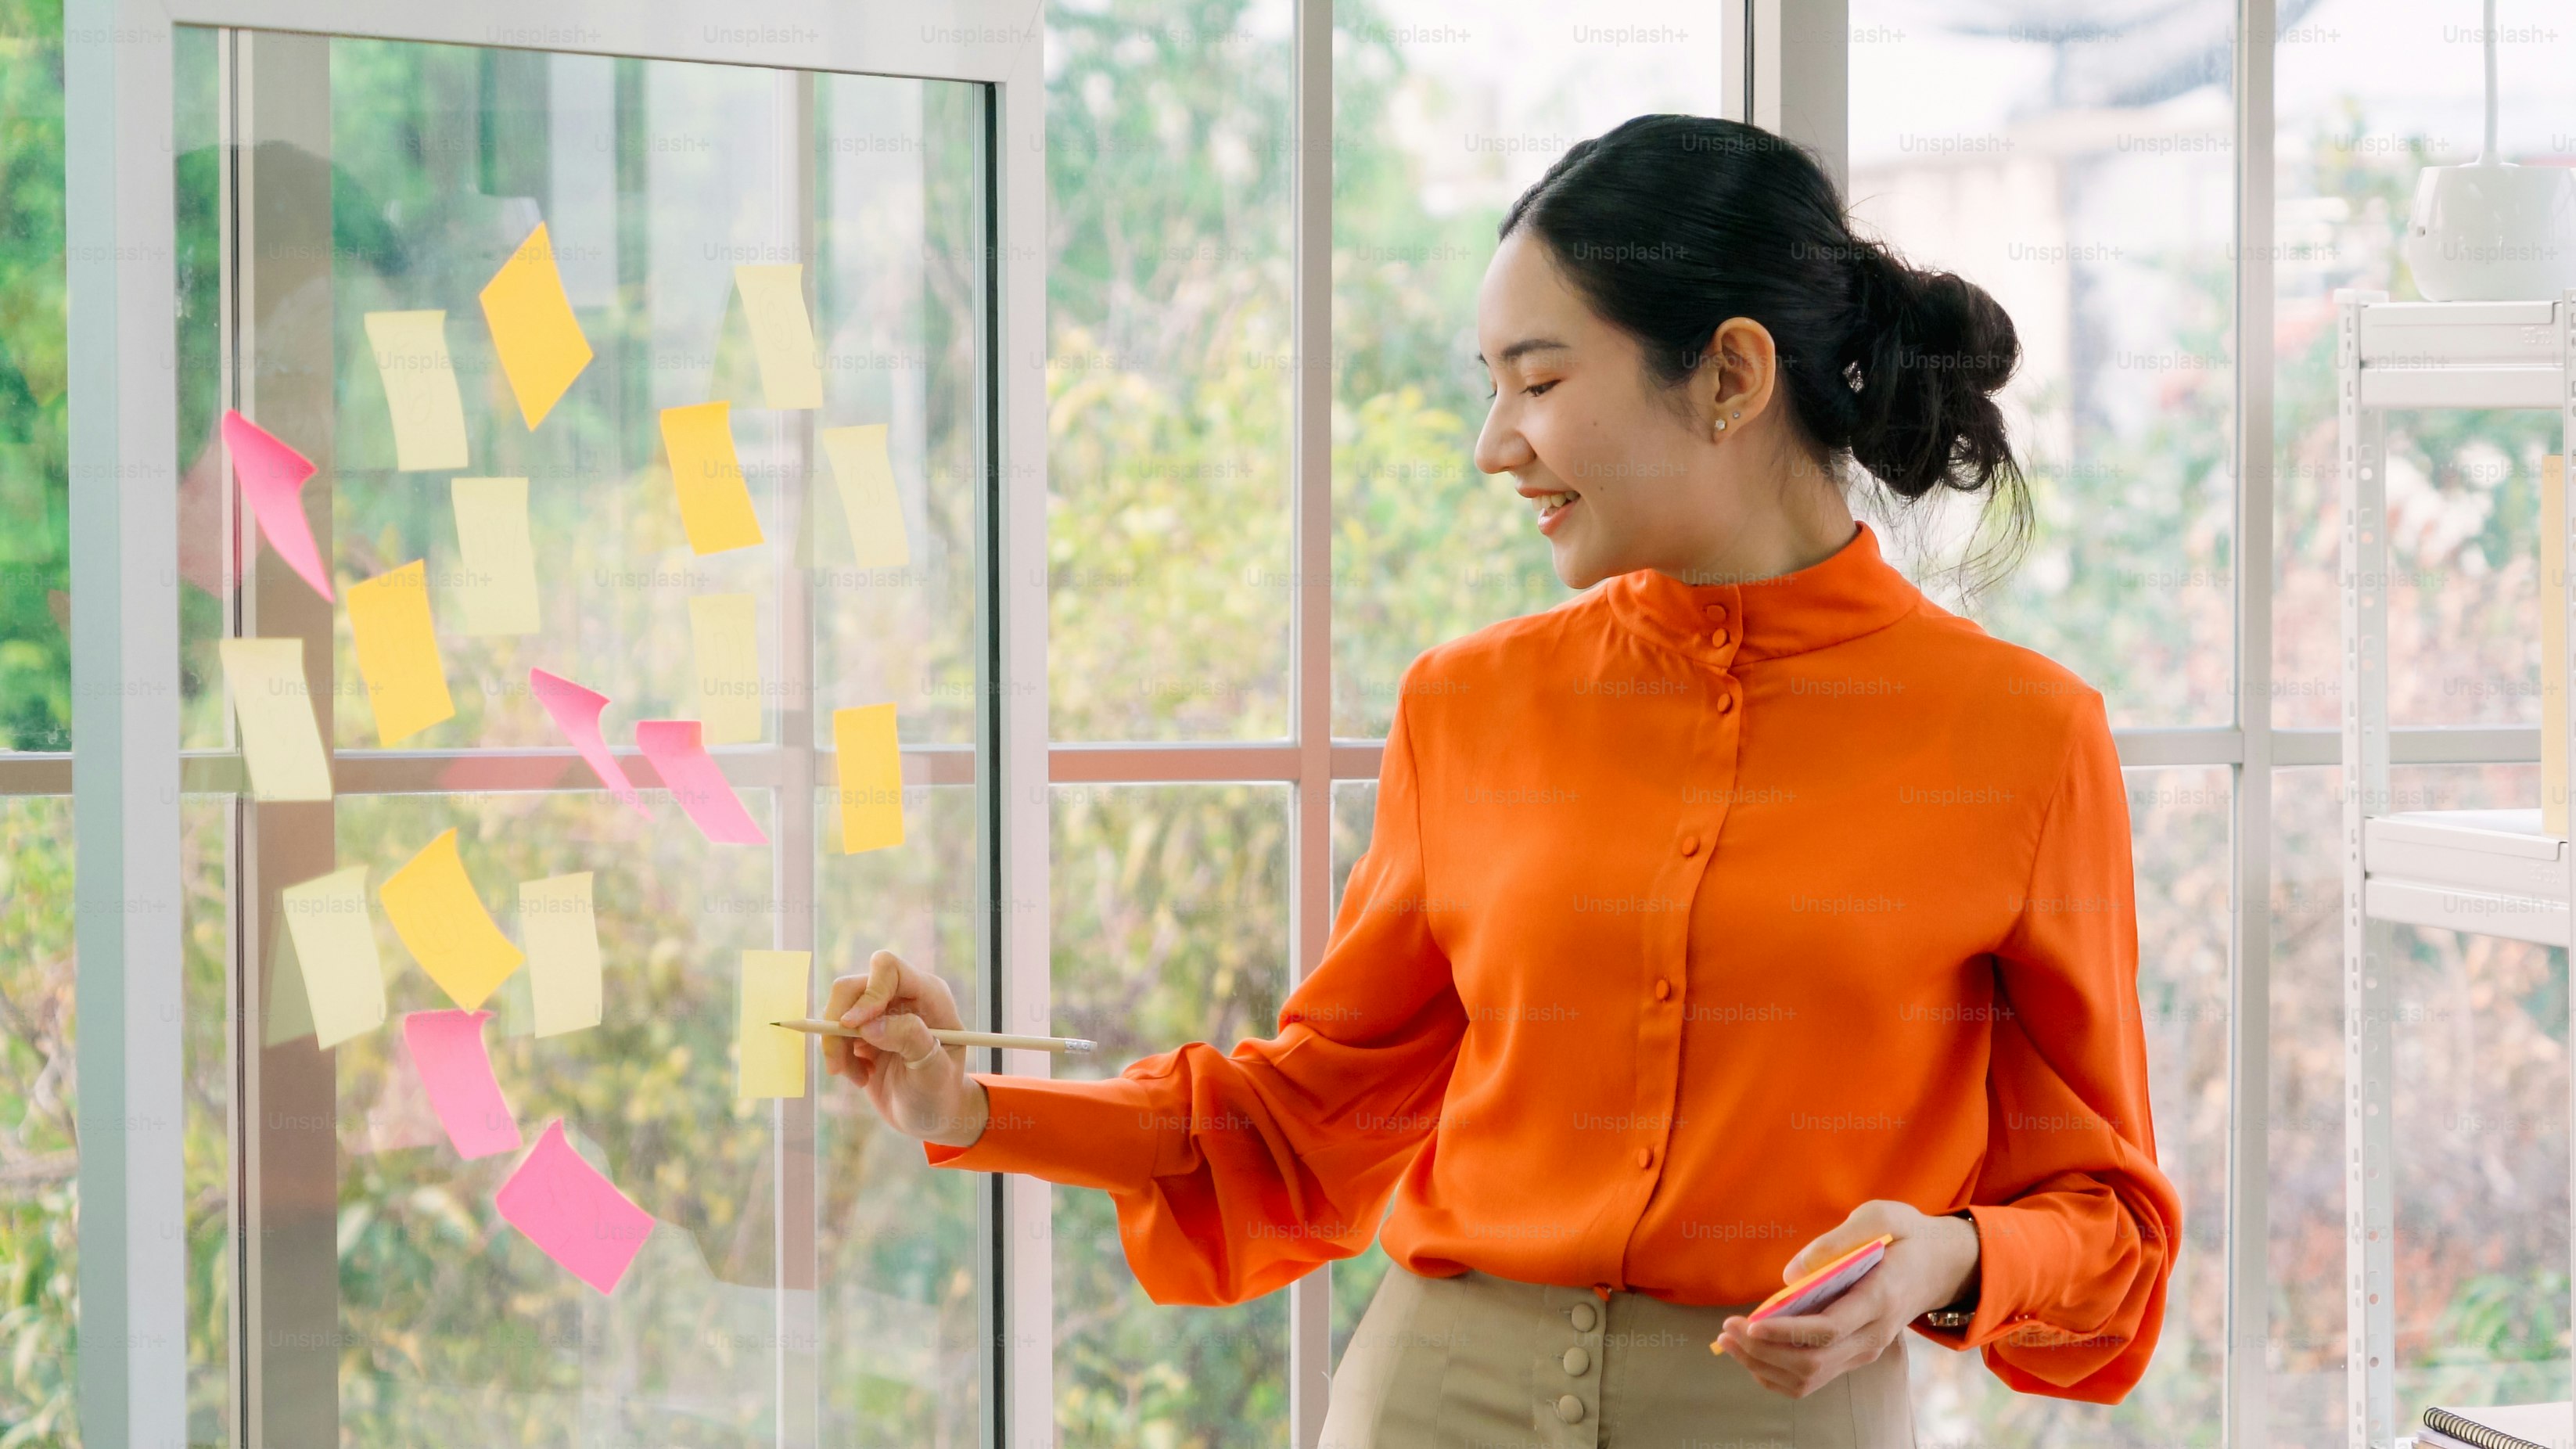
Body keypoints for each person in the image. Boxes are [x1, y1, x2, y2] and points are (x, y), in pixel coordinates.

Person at [822, 113, 2180, 1448]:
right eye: (1491, 385)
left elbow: (2105, 1220)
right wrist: (971, 1105)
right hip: (1431, 1398)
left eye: (1536, 382)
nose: (1494, 443)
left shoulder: (2021, 738)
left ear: (1729, 376)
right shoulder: (1466, 705)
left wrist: (1941, 1260)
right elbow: (1312, 1112)